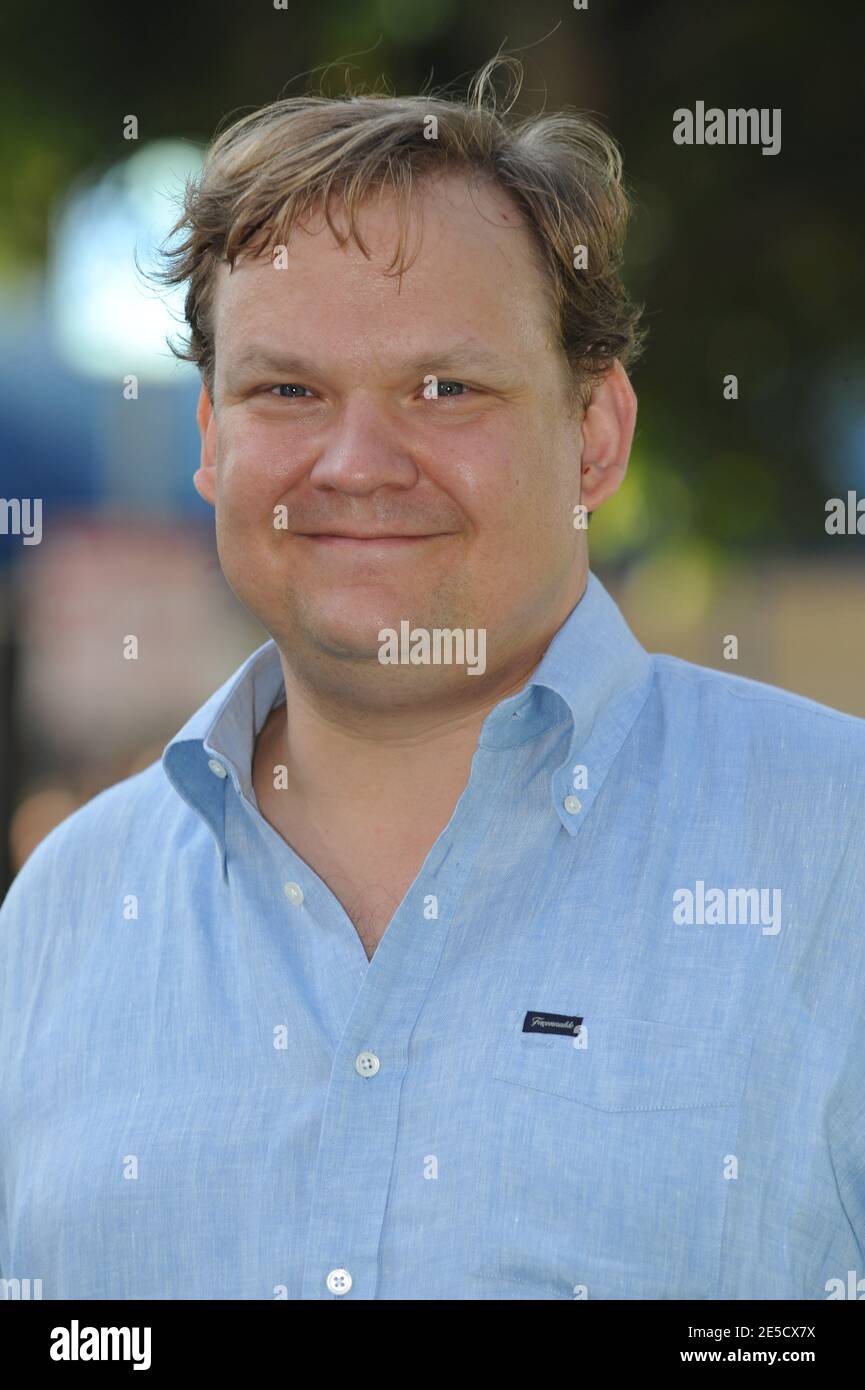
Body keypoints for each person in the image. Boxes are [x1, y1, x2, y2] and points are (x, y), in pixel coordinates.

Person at [1, 56, 863, 1302]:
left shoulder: (833, 851)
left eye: (444, 388)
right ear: (209, 439)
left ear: (595, 435)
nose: (356, 461)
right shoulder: (61, 916)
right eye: (287, 388)